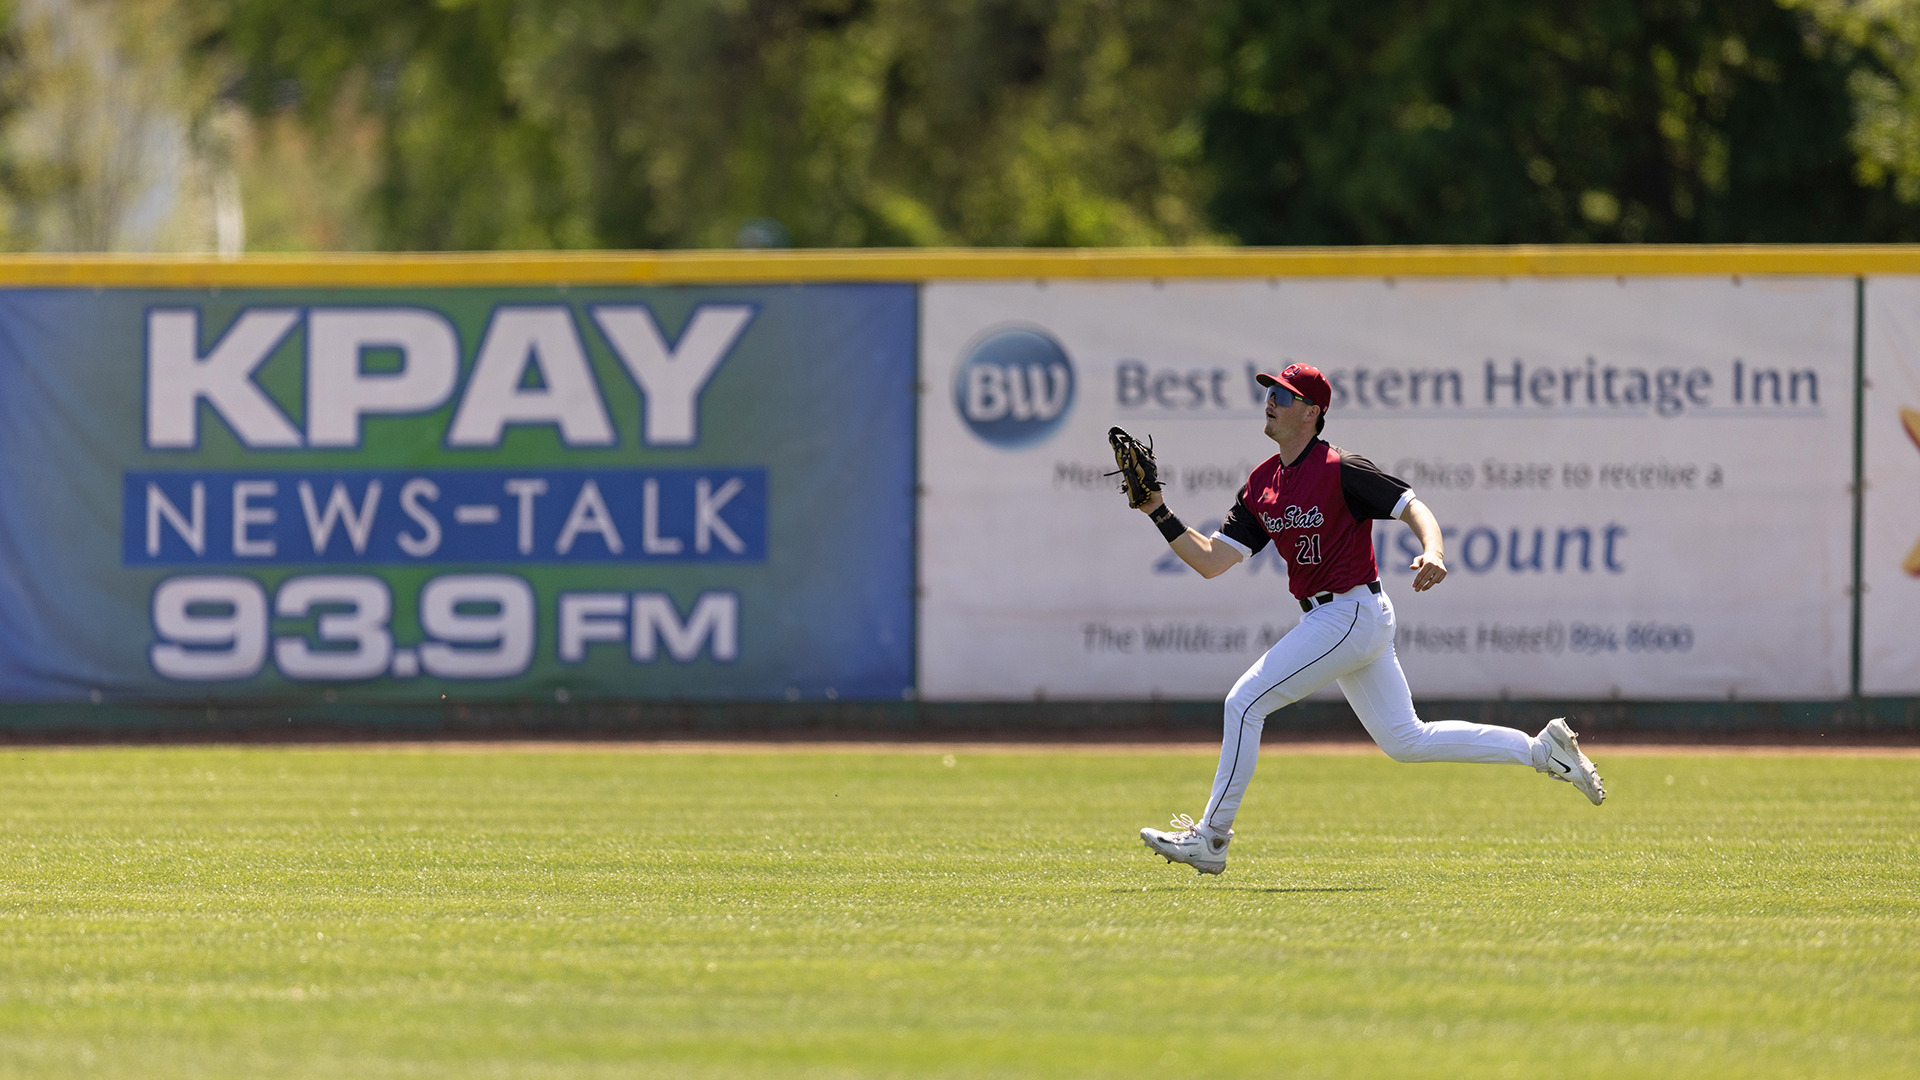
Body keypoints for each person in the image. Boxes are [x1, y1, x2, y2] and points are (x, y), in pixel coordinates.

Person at [1132, 363, 1605, 876]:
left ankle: (1211, 838)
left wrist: (1435, 551)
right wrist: (1158, 510)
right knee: (1407, 741)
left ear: (1313, 413)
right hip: (1344, 618)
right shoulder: (1263, 482)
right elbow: (1210, 560)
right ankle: (1542, 750)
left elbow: (1412, 506)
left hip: (1349, 612)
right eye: (1269, 391)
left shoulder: (1340, 468)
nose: (1271, 400)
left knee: (1244, 703)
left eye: (1285, 396)